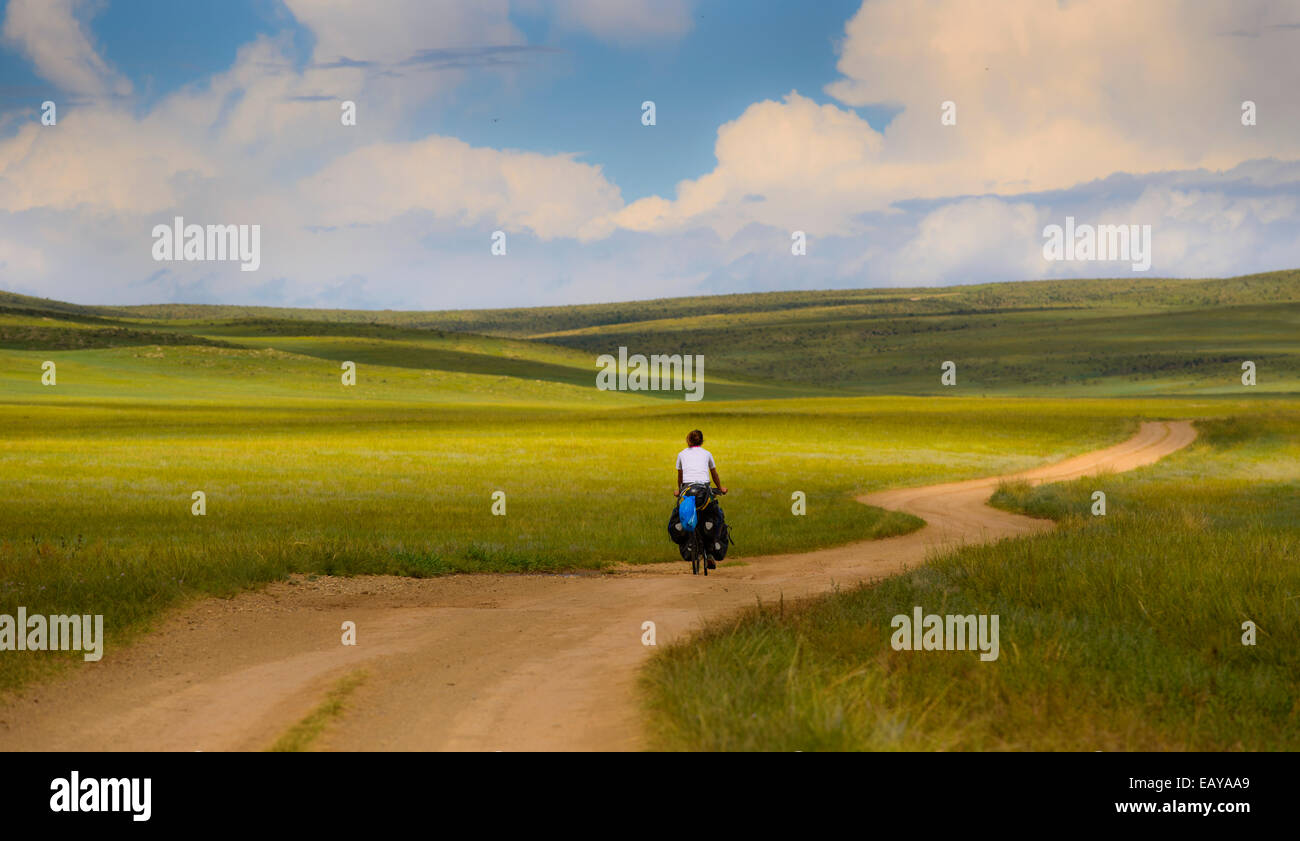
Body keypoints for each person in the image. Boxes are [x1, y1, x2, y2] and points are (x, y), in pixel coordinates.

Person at [675, 429, 727, 569]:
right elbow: (714, 473)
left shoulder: (681, 454)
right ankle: (710, 553)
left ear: (688, 440)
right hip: (704, 490)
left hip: (687, 490)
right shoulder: (707, 454)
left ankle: (689, 544)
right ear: (702, 441)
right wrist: (720, 487)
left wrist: (679, 490)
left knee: (679, 513)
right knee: (715, 514)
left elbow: (680, 476)